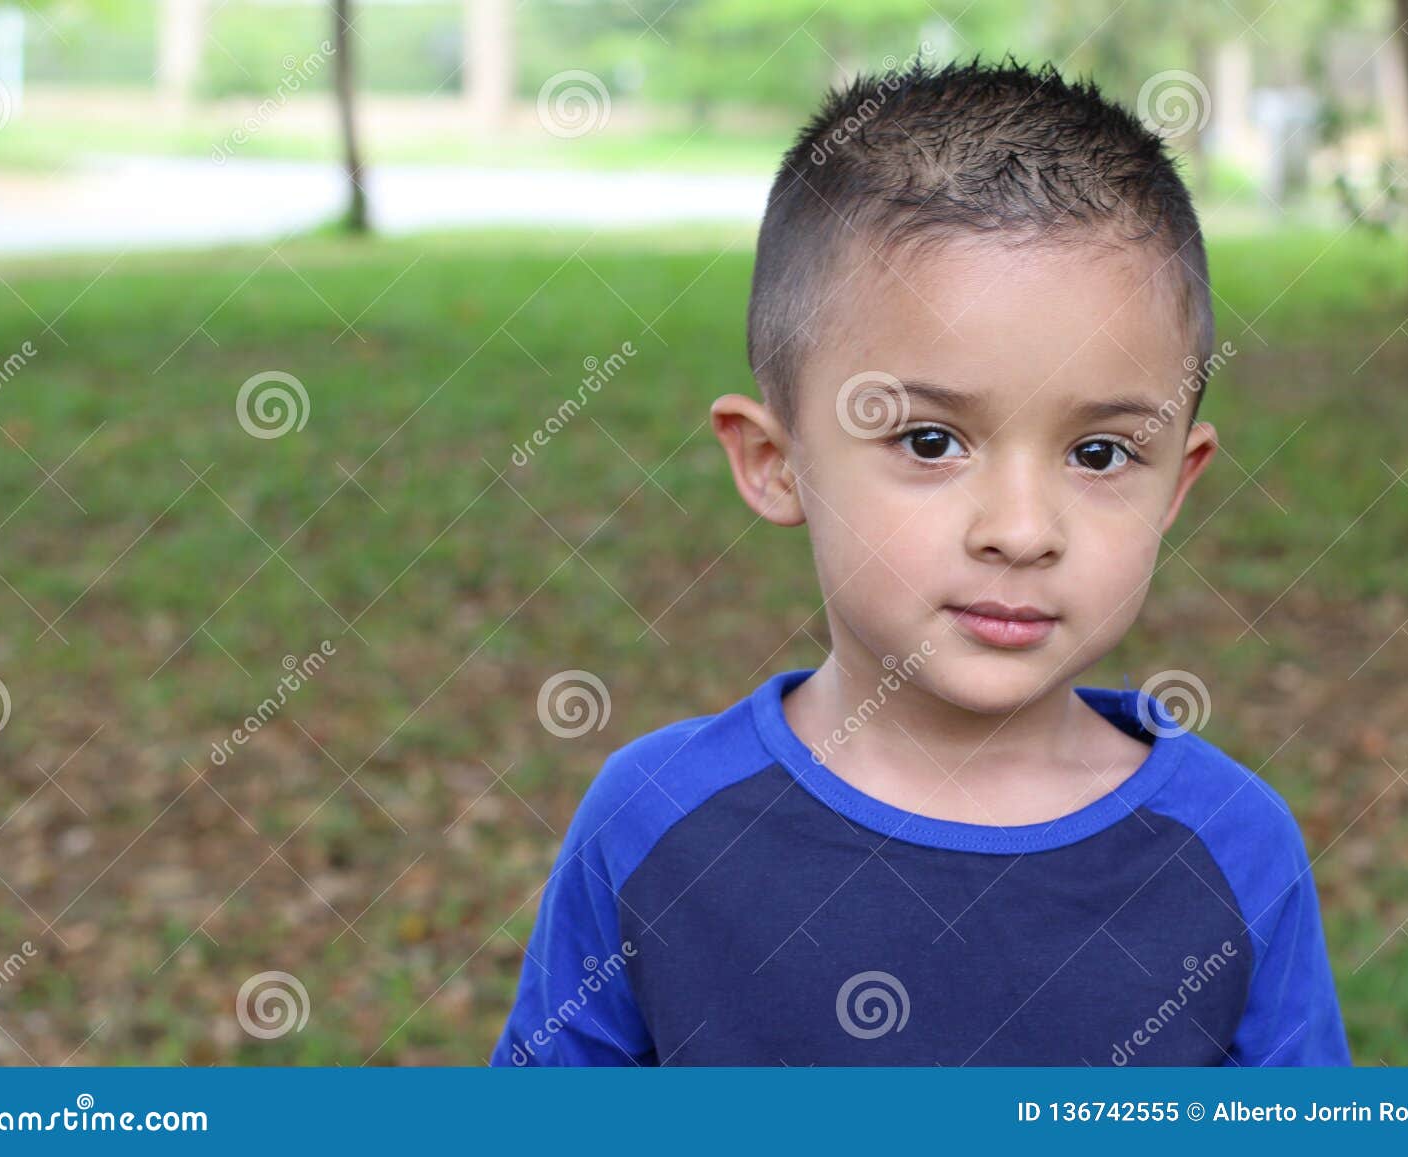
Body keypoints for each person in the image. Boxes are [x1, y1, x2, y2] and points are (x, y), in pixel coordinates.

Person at [489, 54, 1351, 1067]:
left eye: (1100, 453)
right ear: (775, 463)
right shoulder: (659, 822)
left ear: (1175, 484)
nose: (1022, 529)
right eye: (930, 441)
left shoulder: (1235, 849)